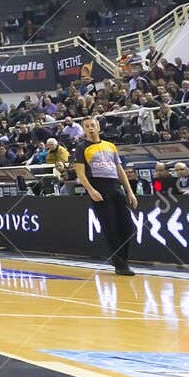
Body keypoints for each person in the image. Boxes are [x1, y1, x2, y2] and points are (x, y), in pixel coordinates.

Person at [72, 117, 138, 276]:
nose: (90, 128)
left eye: (92, 125)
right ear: (84, 129)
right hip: (99, 189)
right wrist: (91, 190)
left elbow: (120, 169)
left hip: (116, 187)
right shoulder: (81, 148)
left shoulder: (110, 146)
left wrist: (129, 191)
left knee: (128, 227)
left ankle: (123, 259)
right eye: (87, 126)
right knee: (110, 228)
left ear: (98, 127)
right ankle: (120, 265)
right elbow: (80, 173)